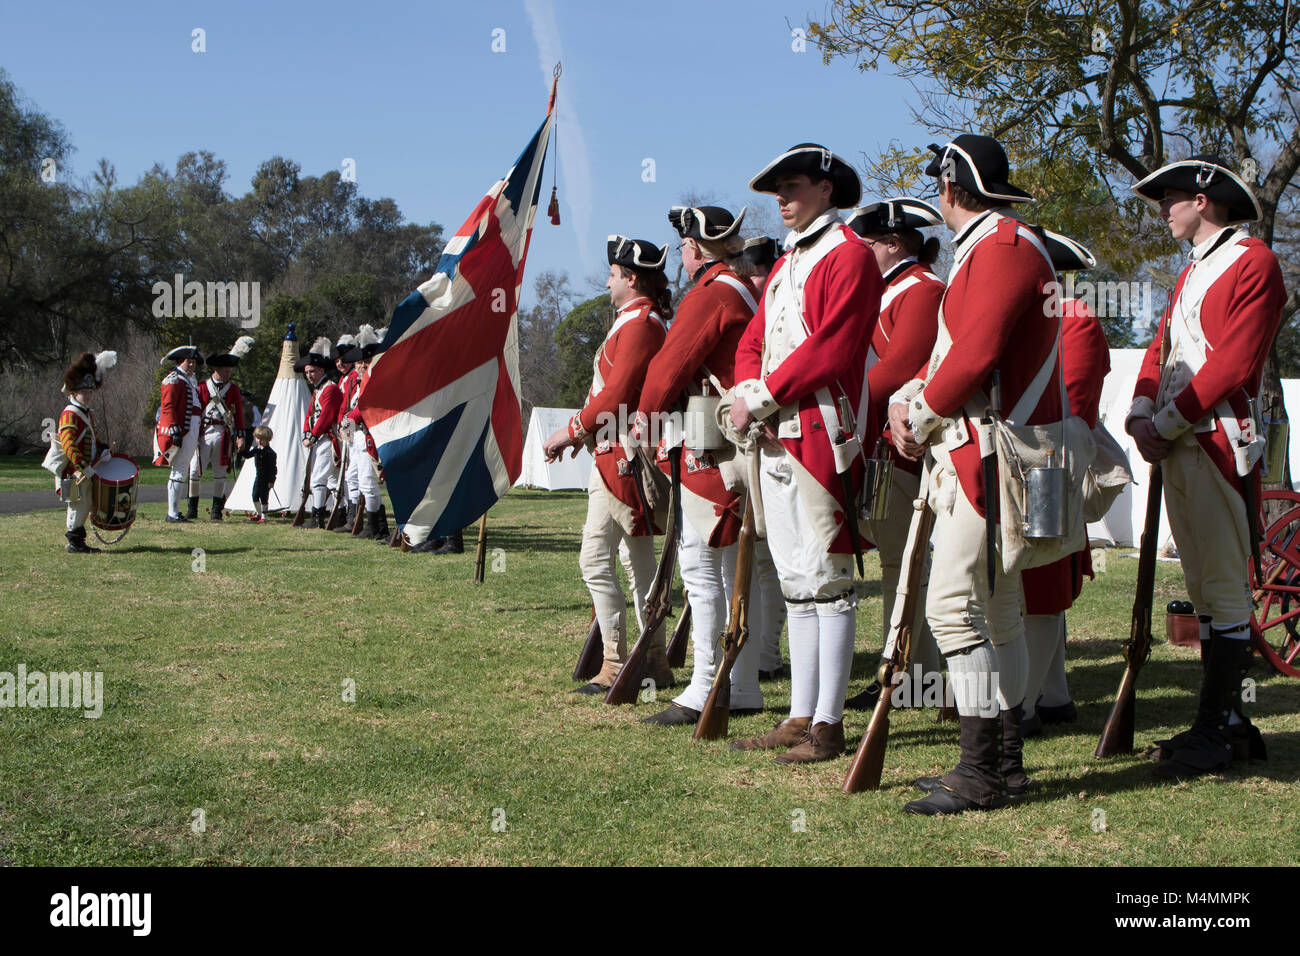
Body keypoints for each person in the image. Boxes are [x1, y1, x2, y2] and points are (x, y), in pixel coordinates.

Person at [886, 134, 1059, 815]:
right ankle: (1003, 764)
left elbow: (977, 353)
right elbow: (957, 351)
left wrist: (920, 414)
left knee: (952, 608)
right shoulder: (993, 245)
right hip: (981, 446)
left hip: (986, 453)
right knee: (999, 612)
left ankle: (981, 769)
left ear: (950, 187)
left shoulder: (1002, 248)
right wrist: (916, 397)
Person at [1126, 154, 1286, 778]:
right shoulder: (1191, 273)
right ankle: (1226, 722)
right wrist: (1141, 412)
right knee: (1202, 590)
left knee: (1223, 587)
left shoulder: (1254, 262)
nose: (1163, 210)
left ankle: (1217, 728)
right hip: (1180, 442)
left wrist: (1162, 424)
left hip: (1215, 441)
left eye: (1170, 198)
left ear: (1204, 198)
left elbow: (1233, 366)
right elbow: (1159, 349)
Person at [728, 143, 881, 764]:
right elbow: (754, 339)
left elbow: (832, 349)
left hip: (822, 432)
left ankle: (829, 721)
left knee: (829, 579)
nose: (782, 201)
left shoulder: (848, 256)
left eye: (791, 187)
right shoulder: (792, 260)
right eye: (777, 192)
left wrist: (760, 397)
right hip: (776, 430)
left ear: (825, 188)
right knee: (796, 580)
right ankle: (799, 714)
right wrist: (747, 394)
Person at [634, 204, 764, 726]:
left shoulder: (710, 293)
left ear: (694, 249)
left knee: (701, 566)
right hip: (741, 442)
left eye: (684, 246)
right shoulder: (745, 288)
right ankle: (745, 683)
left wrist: (643, 422)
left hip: (714, 447)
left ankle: (704, 686)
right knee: (739, 569)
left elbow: (669, 368)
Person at [544, 235, 671, 693]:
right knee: (633, 561)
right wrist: (587, 434)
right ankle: (651, 660)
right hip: (614, 453)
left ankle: (619, 662)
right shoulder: (635, 321)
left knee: (597, 558)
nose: (607, 281)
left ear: (631, 279)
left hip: (624, 458)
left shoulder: (639, 324)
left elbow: (615, 398)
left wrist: (570, 430)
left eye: (613, 274)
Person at [843, 198, 945, 712]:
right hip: (878, 443)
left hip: (903, 447)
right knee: (893, 562)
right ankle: (899, 670)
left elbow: (903, 364)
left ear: (893, 244)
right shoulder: (886, 293)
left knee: (909, 563)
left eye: (869, 245)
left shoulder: (923, 291)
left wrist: (843, 404)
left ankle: (917, 677)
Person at [1020, 230, 1110, 737]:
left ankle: (1029, 703)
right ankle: (1054, 694)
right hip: (1021, 459)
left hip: (1048, 462)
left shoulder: (1074, 318)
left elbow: (1068, 402)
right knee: (1032, 581)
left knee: (1041, 584)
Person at [733, 234, 789, 680]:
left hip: (772, 437)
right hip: (748, 431)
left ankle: (766, 655)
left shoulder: (767, 305)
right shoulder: (756, 307)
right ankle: (763, 653)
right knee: (761, 560)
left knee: (770, 561)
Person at [56, 351, 115, 553]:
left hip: (88, 468)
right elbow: (69, 444)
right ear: (73, 393)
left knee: (86, 503)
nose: (89, 396)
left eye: (90, 392)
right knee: (78, 505)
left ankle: (78, 540)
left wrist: (102, 448)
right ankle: (74, 541)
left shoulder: (86, 413)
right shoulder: (70, 414)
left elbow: (93, 436)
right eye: (84, 393)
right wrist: (82, 467)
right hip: (76, 471)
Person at [191, 336, 252, 521]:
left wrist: (240, 436)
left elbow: (238, 416)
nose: (227, 374)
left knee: (219, 473)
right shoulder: (202, 387)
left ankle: (216, 509)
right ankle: (192, 509)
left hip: (223, 433)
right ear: (215, 370)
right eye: (224, 371)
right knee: (194, 471)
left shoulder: (233, 390)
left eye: (229, 371)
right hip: (203, 433)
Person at [339, 325, 390, 541]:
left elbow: (362, 409)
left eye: (364, 362)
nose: (361, 366)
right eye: (359, 363)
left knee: (369, 484)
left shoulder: (376, 380)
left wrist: (349, 420)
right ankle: (376, 526)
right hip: (358, 436)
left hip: (369, 436)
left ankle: (374, 526)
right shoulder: (357, 383)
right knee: (360, 481)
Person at [293, 337, 343, 529]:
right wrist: (307, 433)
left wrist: (312, 436)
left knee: (318, 478)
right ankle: (338, 514)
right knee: (330, 479)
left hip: (327, 439)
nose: (309, 375)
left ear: (322, 370)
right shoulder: (318, 390)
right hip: (319, 439)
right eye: (307, 372)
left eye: (312, 371)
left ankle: (317, 517)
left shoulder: (329, 389)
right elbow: (310, 414)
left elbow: (326, 416)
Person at [156, 345, 204, 523]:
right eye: (188, 362)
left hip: (192, 427)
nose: (191, 365)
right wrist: (174, 427)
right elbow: (167, 406)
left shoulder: (188, 380)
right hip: (183, 428)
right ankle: (172, 512)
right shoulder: (174, 379)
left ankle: (174, 511)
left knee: (182, 470)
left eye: (193, 362)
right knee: (180, 469)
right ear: (179, 362)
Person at [240, 425, 278, 523]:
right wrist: (241, 450)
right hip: (258, 477)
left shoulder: (270, 453)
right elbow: (247, 455)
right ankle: (259, 513)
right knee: (255, 496)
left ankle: (264, 517)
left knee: (264, 497)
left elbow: (273, 469)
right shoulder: (256, 450)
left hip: (266, 479)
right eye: (258, 439)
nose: (260, 441)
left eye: (262, 439)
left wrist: (271, 480)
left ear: (267, 440)